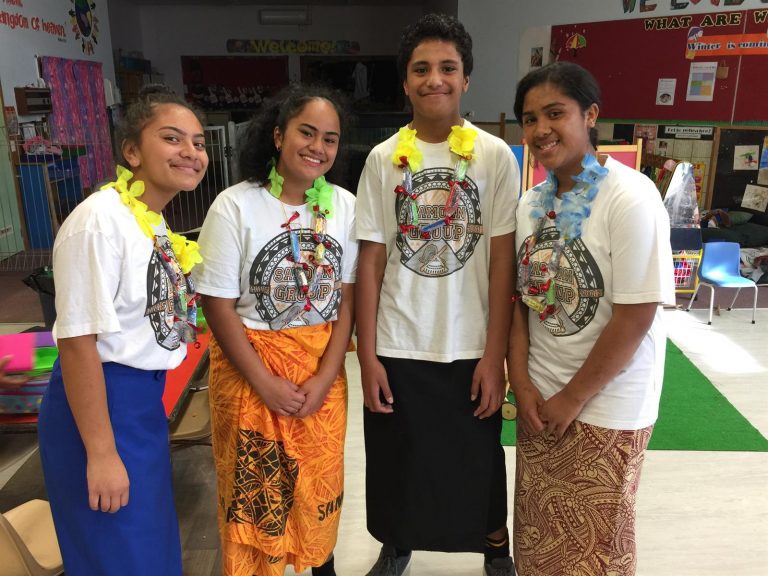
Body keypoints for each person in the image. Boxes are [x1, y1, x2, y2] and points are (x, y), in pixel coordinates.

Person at [355, 13, 519, 576]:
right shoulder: (382, 159)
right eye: (421, 69)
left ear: (466, 78)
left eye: (447, 68)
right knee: (398, 456)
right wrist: (368, 355)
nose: (434, 79)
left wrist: (495, 356)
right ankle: (398, 542)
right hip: (400, 338)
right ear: (405, 81)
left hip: (470, 339)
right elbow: (372, 261)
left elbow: (502, 262)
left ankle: (495, 545)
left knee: (477, 457)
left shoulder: (495, 156)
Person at [509, 61, 675, 576]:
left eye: (555, 113)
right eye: (530, 119)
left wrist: (573, 397)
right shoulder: (532, 204)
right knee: (538, 541)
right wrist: (523, 381)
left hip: (605, 405)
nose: (540, 130)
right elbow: (521, 303)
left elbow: (636, 315)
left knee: (594, 549)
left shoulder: (630, 197)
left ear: (591, 115)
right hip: (541, 400)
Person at [37, 85, 209, 575]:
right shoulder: (98, 221)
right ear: (131, 150)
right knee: (117, 556)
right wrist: (102, 452)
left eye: (198, 143)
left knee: (148, 550)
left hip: (139, 410)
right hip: (99, 408)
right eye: (172, 139)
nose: (191, 152)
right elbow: (76, 344)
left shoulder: (150, 221)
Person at [194, 84, 357, 576]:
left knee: (317, 484)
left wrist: (327, 376)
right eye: (306, 132)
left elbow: (347, 301)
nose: (318, 147)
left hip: (321, 375)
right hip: (249, 374)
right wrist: (264, 382)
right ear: (278, 134)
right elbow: (216, 304)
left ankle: (319, 565)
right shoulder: (234, 206)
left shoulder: (345, 206)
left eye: (330, 138)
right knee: (257, 498)